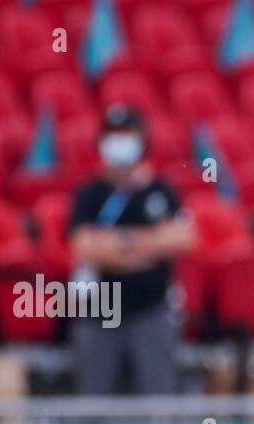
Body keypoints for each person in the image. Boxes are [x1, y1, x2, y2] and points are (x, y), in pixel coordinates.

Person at [67, 104, 195, 395]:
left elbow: (183, 239)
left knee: (159, 402)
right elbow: (85, 247)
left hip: (152, 310)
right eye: (115, 135)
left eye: (128, 135)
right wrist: (150, 249)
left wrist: (119, 243)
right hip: (98, 313)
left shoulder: (160, 190)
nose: (121, 143)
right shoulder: (90, 193)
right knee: (93, 403)